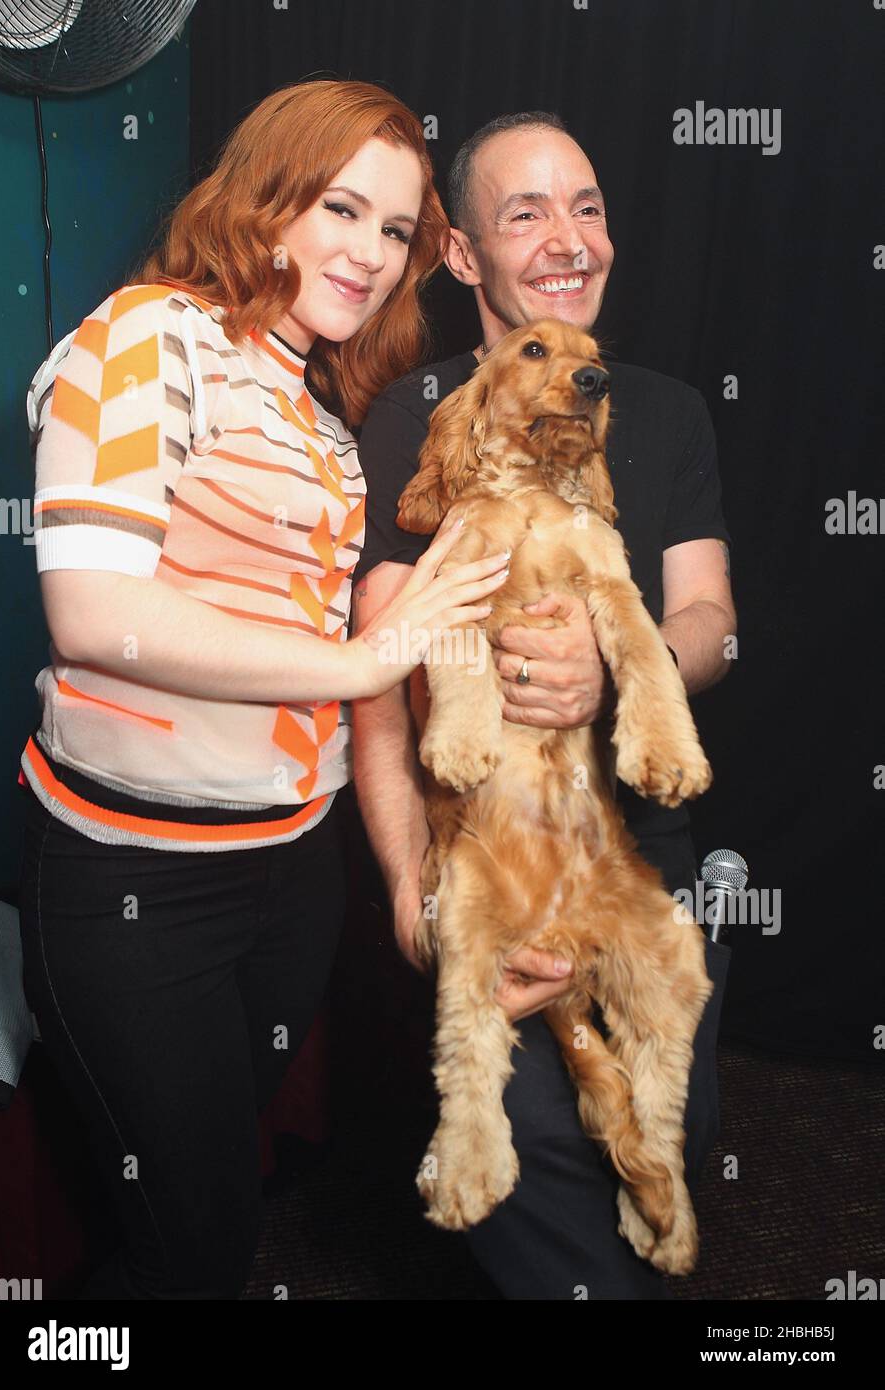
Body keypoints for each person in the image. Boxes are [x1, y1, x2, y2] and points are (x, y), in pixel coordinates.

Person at [16, 79, 511, 1301]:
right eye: (342, 207)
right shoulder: (149, 336)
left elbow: (328, 625)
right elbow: (96, 616)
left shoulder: (321, 413)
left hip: (289, 871)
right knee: (197, 1246)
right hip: (139, 884)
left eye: (396, 231)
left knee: (203, 1202)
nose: (369, 252)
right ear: (265, 196)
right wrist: (368, 662)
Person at [351, 111, 737, 1299]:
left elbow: (709, 619)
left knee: (664, 1134)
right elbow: (378, 679)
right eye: (525, 212)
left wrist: (621, 667)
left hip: (633, 845)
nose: (569, 237)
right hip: (486, 850)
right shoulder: (410, 412)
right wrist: (416, 904)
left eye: (588, 207)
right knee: (542, 1186)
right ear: (462, 253)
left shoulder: (657, 407)